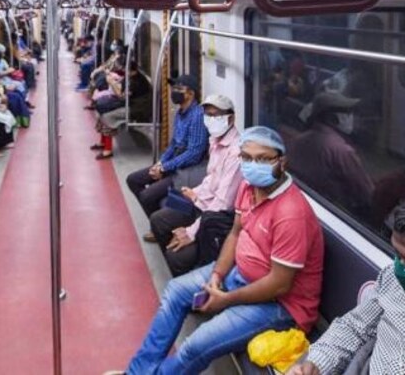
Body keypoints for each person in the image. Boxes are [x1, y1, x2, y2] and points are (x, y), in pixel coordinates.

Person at [108, 126, 324, 375]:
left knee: (195, 345)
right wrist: (217, 276)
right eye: (246, 157)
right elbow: (235, 233)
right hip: (240, 275)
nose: (254, 164)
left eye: (264, 159)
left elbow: (279, 284)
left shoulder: (291, 214)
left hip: (280, 304)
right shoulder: (249, 187)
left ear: (282, 162)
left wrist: (226, 299)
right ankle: (136, 372)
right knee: (175, 292)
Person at [287, 195, 405, 375]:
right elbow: (354, 327)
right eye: (398, 256)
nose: (400, 269)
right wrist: (316, 365)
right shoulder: (394, 279)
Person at [150, 94, 242, 276]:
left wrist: (191, 231)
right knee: (158, 219)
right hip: (201, 201)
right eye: (207, 115)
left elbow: (222, 204)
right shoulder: (215, 141)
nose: (210, 120)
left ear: (230, 118)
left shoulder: (236, 153)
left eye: (215, 115)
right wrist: (195, 193)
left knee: (177, 256)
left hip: (214, 217)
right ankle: (178, 267)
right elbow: (210, 178)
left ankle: (186, 280)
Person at [125, 75, 209, 240]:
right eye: (174, 88)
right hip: (173, 164)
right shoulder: (180, 113)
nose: (174, 92)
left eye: (179, 89)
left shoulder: (197, 116)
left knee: (147, 196)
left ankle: (161, 229)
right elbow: (173, 145)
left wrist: (165, 168)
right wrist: (160, 163)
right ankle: (159, 225)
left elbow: (193, 153)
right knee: (133, 179)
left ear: (190, 94)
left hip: (186, 170)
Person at [288, 91, 375, 224]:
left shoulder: (298, 140)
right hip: (337, 214)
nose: (351, 117)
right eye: (347, 112)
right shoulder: (341, 150)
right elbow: (367, 194)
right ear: (332, 118)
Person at [92, 61, 152, 159]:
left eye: (126, 70)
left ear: (133, 71)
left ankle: (108, 150)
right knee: (101, 110)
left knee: (108, 116)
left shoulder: (137, 82)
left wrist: (112, 83)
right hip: (131, 104)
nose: (125, 72)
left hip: (137, 109)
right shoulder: (130, 77)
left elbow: (122, 96)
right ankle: (103, 142)